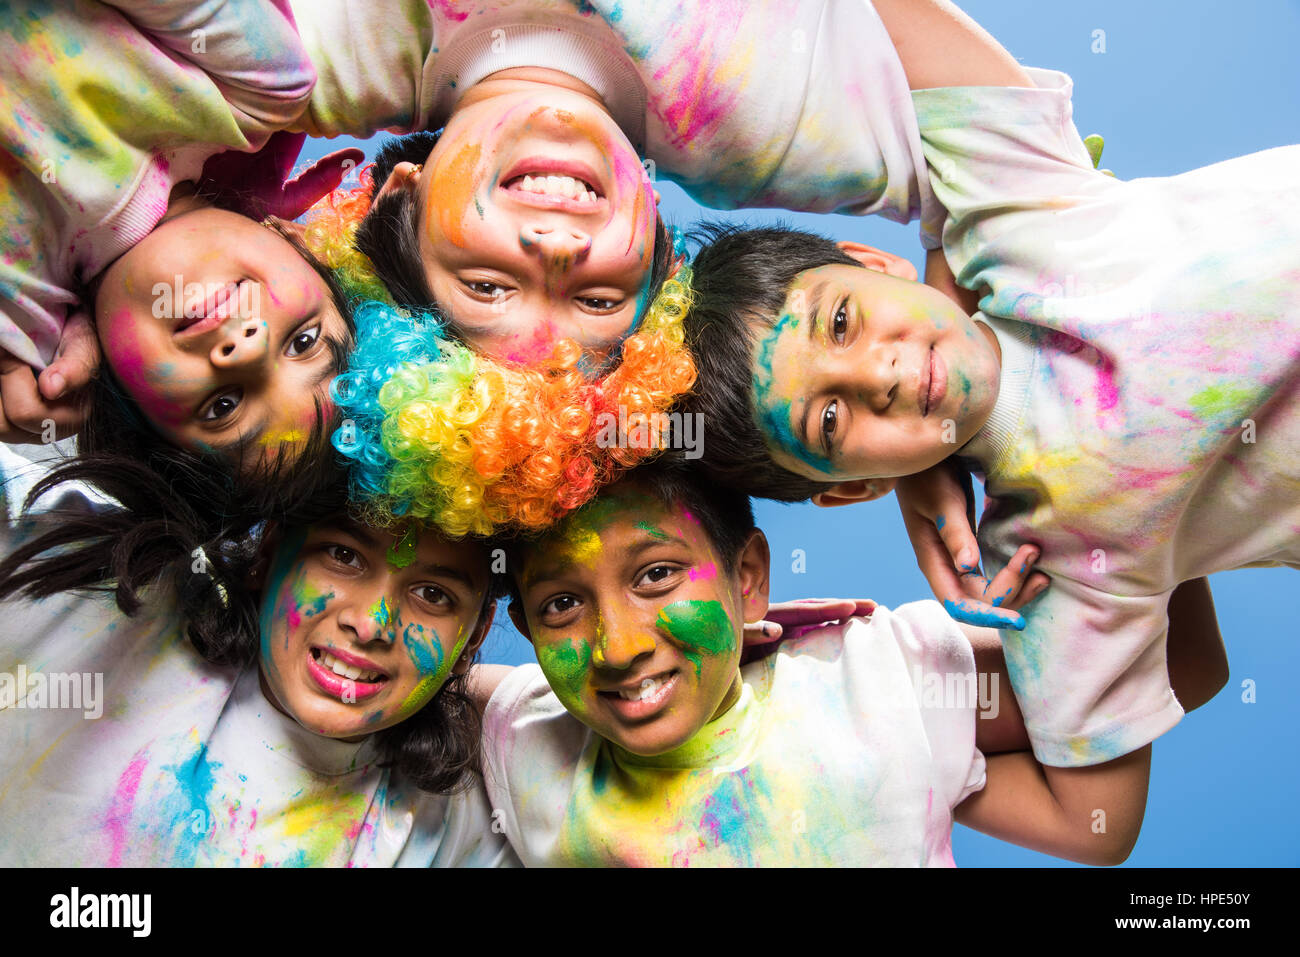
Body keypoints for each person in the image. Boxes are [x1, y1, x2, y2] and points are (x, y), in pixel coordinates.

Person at [676, 64, 1295, 769]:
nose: (877, 375)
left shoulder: (1010, 213)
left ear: (873, 260)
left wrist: (946, 261)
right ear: (850, 486)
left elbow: (918, 52)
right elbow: (1120, 784)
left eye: (842, 320)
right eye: (829, 423)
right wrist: (1151, 522)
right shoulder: (1044, 552)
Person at [472, 461, 1225, 866]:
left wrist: (1127, 476)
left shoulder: (876, 677)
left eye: (657, 575)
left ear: (747, 579)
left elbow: (1178, 677)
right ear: (526, 628)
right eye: (563, 606)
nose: (618, 645)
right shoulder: (524, 728)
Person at [0, 447, 516, 866]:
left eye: (433, 595)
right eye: (342, 556)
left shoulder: (456, 823)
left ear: (474, 636)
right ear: (267, 552)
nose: (371, 623)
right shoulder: (113, 596)